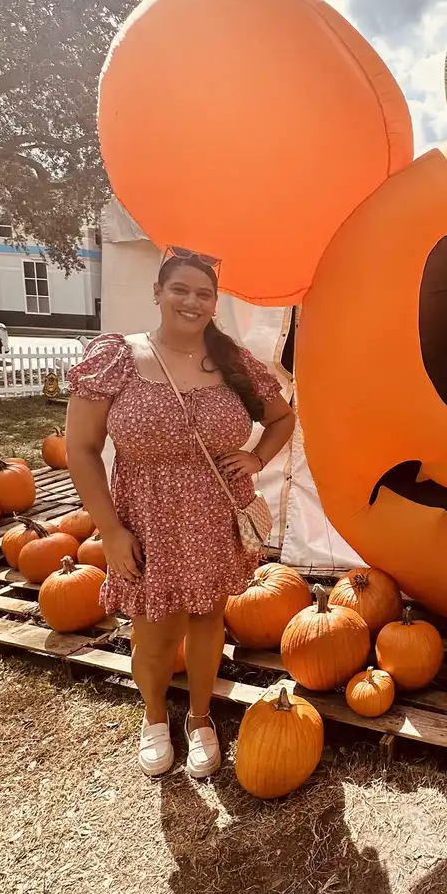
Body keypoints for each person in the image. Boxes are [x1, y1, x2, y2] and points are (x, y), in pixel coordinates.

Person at [65, 246, 295, 779]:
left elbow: (283, 417)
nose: (192, 301)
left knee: (209, 619)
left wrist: (257, 456)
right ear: (158, 293)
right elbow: (80, 448)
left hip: (214, 515)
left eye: (204, 293)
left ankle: (198, 717)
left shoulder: (235, 361)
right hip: (145, 518)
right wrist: (110, 530)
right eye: (180, 289)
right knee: (154, 629)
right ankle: (152, 720)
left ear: (215, 303)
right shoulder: (117, 356)